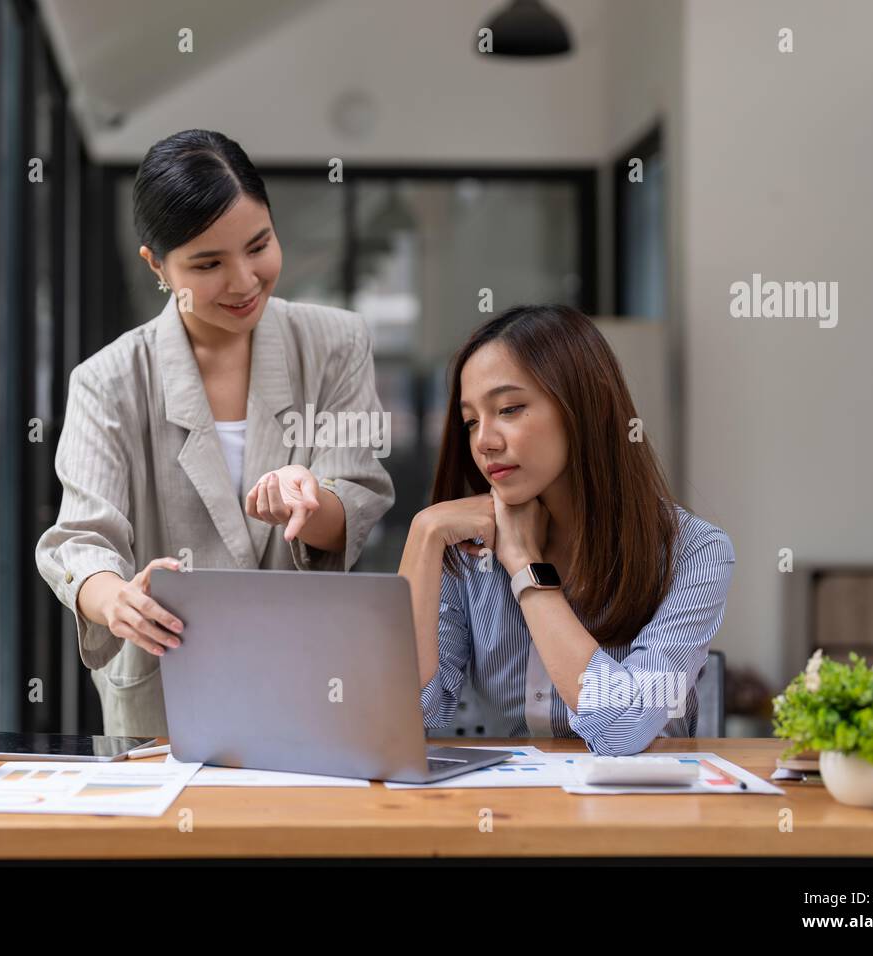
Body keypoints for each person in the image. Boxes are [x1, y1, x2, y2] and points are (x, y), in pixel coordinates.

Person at [37, 129, 394, 738]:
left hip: (305, 683)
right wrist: (115, 596)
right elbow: (81, 539)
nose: (244, 281)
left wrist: (311, 494)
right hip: (165, 697)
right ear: (156, 264)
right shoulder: (109, 381)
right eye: (208, 264)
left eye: (259, 246)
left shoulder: (336, 344)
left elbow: (354, 499)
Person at [399, 304, 734, 755]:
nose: (484, 441)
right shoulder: (467, 549)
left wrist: (526, 568)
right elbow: (407, 715)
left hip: (645, 812)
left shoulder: (694, 551)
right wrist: (423, 533)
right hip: (510, 810)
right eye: (471, 420)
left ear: (583, 406)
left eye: (510, 409)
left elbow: (623, 726)